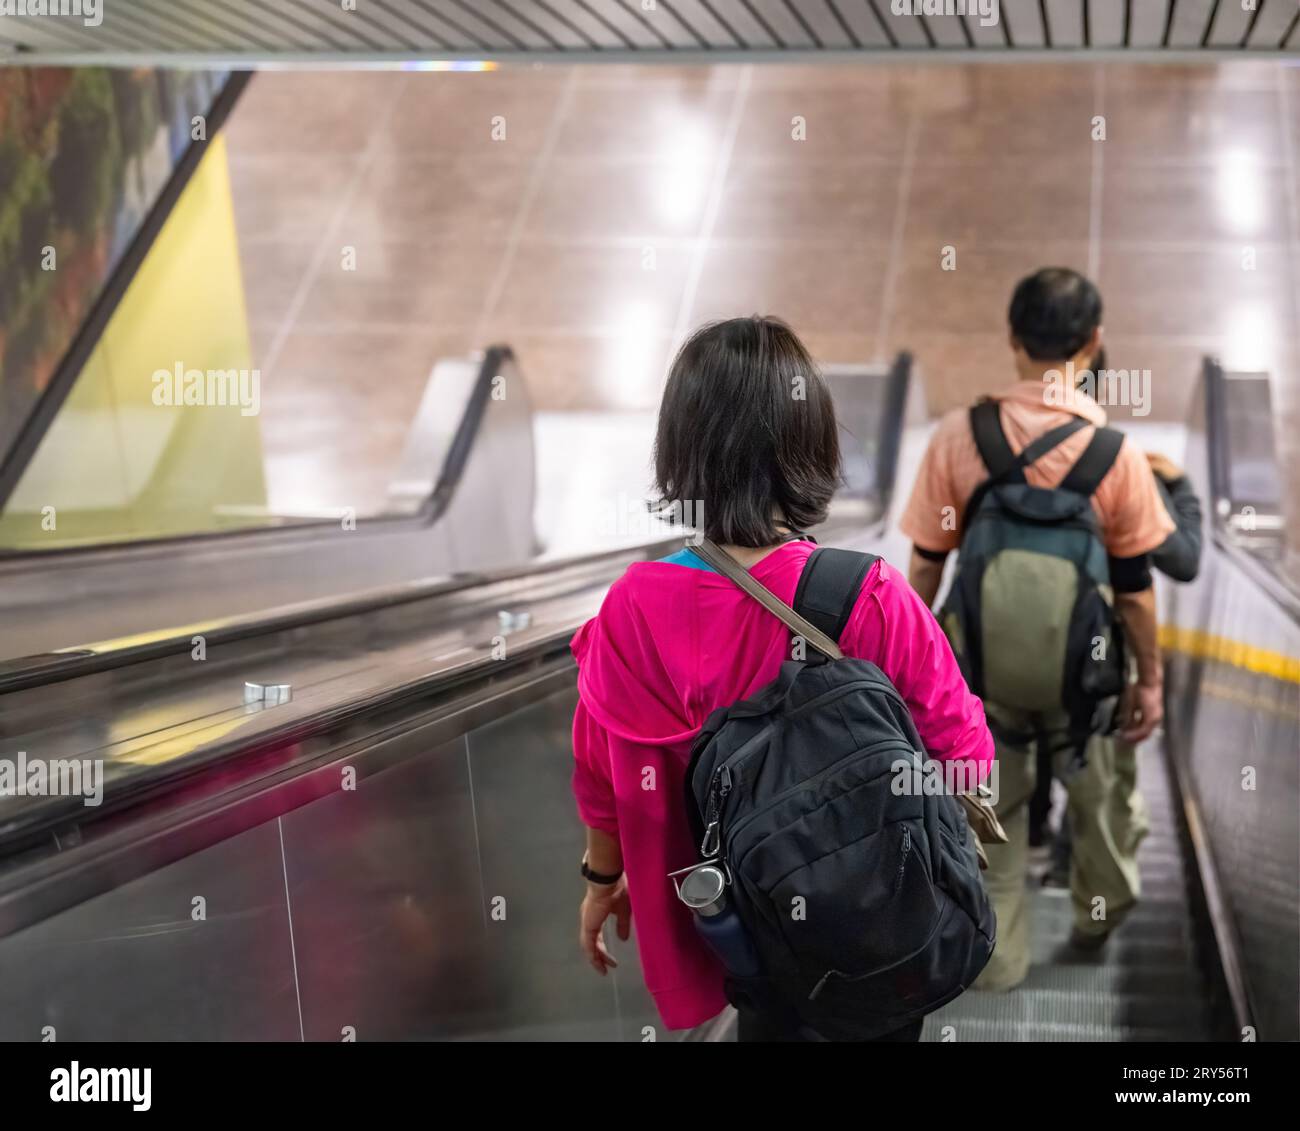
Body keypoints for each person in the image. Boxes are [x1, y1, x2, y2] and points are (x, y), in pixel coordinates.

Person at [570, 316, 994, 1040]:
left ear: (680, 448)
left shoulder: (631, 610)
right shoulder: (870, 596)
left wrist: (603, 879)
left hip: (742, 934)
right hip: (877, 927)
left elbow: (605, 775)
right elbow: (967, 760)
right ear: (812, 444)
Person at [899, 267, 1175, 990]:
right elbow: (1137, 591)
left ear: (1013, 339)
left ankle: (999, 965)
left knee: (995, 817)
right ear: (1094, 343)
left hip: (982, 684)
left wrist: (905, 672)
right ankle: (1096, 920)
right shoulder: (1115, 454)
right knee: (1103, 811)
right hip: (1085, 686)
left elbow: (925, 568)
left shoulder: (961, 436)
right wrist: (1150, 679)